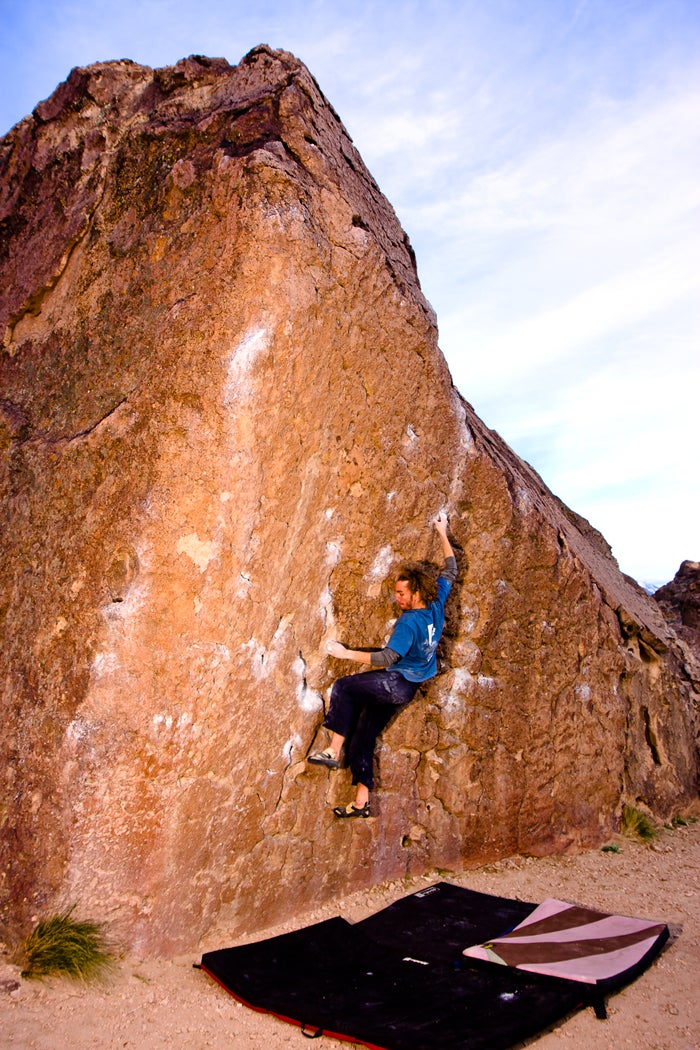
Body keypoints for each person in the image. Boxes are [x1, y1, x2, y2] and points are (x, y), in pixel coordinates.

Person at [308, 512, 457, 818]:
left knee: (345, 687)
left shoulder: (409, 622)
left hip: (396, 683)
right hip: (409, 688)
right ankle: (361, 803)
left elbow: (387, 658)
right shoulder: (436, 603)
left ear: (416, 592)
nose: (397, 597)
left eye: (401, 593)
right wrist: (442, 532)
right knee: (364, 734)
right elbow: (451, 569)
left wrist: (346, 654)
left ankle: (332, 750)